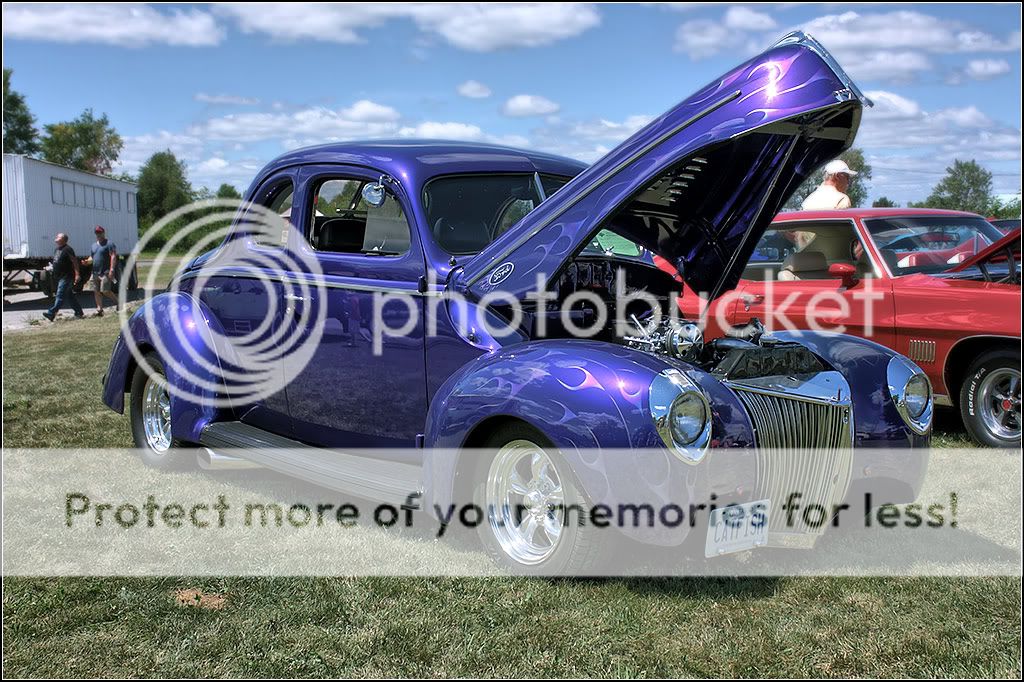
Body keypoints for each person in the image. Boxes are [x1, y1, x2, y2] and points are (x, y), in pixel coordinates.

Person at [43, 233, 84, 322]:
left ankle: (51, 313)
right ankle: (79, 312)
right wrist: (51, 267)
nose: (56, 237)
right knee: (70, 296)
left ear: (63, 239)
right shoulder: (57, 249)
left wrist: (77, 274)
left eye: (58, 237)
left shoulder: (68, 249)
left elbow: (75, 262)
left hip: (66, 277)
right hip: (59, 276)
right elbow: (58, 261)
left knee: (60, 295)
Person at [87, 225, 119, 316]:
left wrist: (112, 269)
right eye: (97, 233)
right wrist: (87, 262)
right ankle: (99, 309)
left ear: (103, 233)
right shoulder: (93, 245)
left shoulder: (109, 243)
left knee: (105, 290)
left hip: (105, 271)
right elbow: (92, 257)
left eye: (100, 232)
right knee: (96, 291)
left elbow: (113, 256)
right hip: (95, 272)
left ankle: (118, 302)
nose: (98, 234)